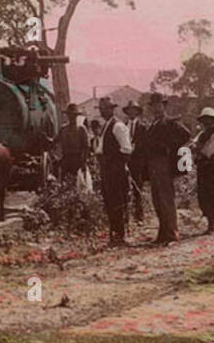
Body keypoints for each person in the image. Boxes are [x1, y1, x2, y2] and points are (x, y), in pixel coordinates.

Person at [144, 92, 190, 245]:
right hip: (153, 165)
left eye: (159, 105)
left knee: (166, 199)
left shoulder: (169, 122)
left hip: (163, 163)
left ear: (163, 106)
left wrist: (169, 147)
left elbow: (186, 135)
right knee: (157, 200)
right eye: (154, 106)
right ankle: (163, 233)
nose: (156, 109)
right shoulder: (153, 124)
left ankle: (172, 234)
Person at [97, 97, 134, 245]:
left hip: (115, 170)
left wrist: (116, 166)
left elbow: (126, 150)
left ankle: (120, 235)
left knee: (118, 202)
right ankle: (114, 234)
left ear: (112, 109)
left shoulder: (118, 126)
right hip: (106, 170)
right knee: (110, 202)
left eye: (105, 108)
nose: (102, 111)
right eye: (101, 108)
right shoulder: (106, 126)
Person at [192, 107, 214, 234]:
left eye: (209, 120)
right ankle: (208, 220)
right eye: (204, 120)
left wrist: (197, 149)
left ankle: (212, 224)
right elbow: (193, 146)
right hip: (202, 167)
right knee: (202, 194)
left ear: (213, 121)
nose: (206, 123)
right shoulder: (202, 134)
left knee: (210, 194)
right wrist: (196, 149)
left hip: (211, 168)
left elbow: (207, 152)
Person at [125, 100, 148, 224]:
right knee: (125, 189)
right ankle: (127, 217)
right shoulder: (123, 126)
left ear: (137, 112)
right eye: (129, 110)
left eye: (134, 110)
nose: (131, 112)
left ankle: (139, 216)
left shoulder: (142, 127)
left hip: (138, 162)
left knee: (137, 189)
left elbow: (145, 146)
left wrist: (136, 148)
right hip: (125, 161)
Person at [59, 103, 90, 191]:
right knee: (65, 184)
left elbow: (86, 147)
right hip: (66, 159)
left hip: (77, 160)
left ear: (76, 116)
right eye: (69, 115)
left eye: (73, 115)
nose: (71, 117)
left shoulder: (81, 129)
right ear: (67, 116)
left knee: (79, 185)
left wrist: (84, 162)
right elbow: (55, 141)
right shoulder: (63, 129)